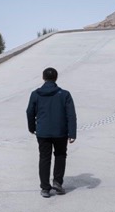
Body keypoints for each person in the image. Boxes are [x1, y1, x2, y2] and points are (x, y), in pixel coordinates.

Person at [26, 66, 77, 197]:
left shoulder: (35, 94)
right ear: (56, 78)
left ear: (43, 78)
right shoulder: (65, 94)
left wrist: (32, 128)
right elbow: (71, 114)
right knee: (60, 155)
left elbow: (29, 112)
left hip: (42, 132)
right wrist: (72, 133)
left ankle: (45, 188)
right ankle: (57, 183)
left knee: (44, 158)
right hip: (60, 132)